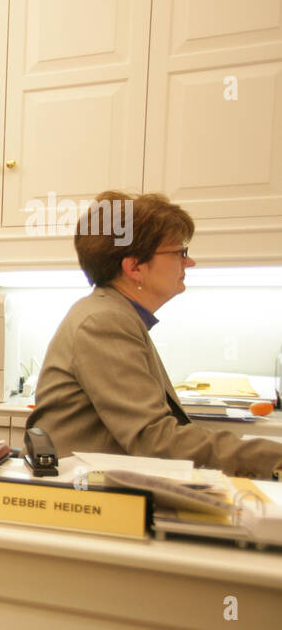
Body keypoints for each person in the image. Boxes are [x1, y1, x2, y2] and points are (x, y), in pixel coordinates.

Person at [27, 190, 282, 479]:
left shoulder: (114, 314)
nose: (189, 262)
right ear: (134, 266)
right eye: (179, 252)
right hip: (91, 496)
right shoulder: (104, 321)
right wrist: (272, 457)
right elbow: (154, 439)